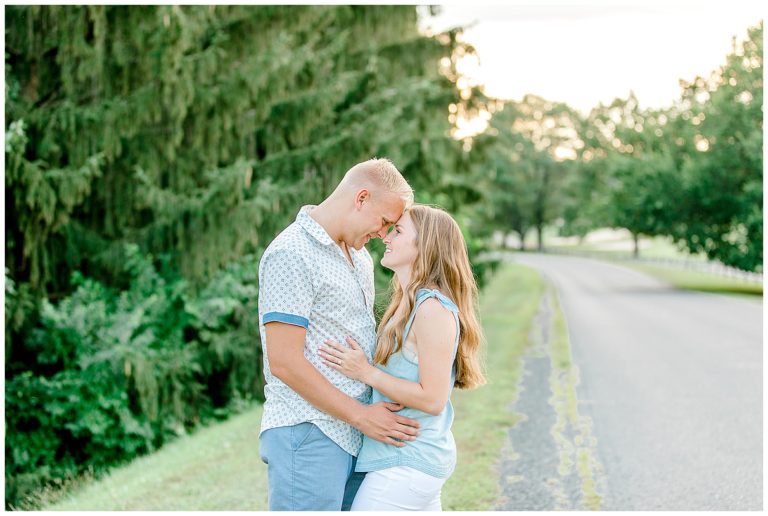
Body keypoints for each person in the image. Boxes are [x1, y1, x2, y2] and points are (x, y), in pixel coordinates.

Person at [257, 158, 422, 511]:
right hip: (309, 431)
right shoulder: (292, 253)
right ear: (361, 197)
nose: (383, 234)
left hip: (353, 433)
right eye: (383, 221)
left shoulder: (357, 256)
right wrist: (360, 415)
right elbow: (284, 361)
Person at [319, 204, 487, 511]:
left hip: (407, 464)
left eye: (397, 230)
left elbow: (433, 398)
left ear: (424, 245)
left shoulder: (432, 309)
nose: (385, 236)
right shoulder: (409, 303)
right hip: (407, 461)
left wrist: (365, 372)